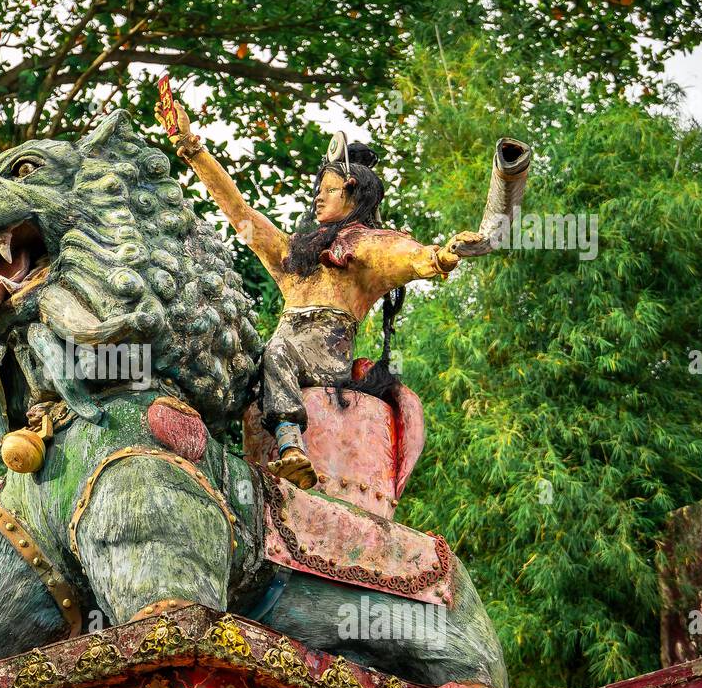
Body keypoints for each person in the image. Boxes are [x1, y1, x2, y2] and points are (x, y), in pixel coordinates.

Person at [162, 102, 483, 488]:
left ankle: (291, 447)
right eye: (319, 190)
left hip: (325, 358)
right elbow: (238, 211)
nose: (318, 198)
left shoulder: (366, 250)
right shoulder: (293, 255)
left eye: (328, 190)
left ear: (353, 194)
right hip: (282, 357)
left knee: (277, 351)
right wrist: (190, 145)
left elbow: (413, 257)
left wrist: (444, 255)